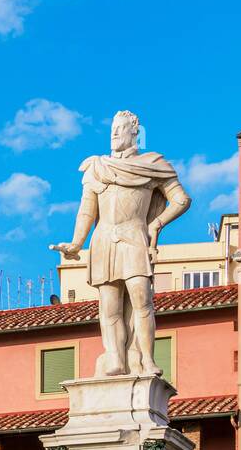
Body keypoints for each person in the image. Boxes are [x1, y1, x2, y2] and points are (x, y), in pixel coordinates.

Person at [52, 110, 192, 378]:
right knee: (109, 305)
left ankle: (147, 360)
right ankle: (115, 358)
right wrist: (75, 243)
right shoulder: (96, 167)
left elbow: (181, 200)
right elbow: (86, 211)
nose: (114, 134)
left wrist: (156, 223)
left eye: (120, 128)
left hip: (134, 236)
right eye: (112, 129)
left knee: (142, 299)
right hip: (104, 239)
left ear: (134, 132)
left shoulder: (152, 164)